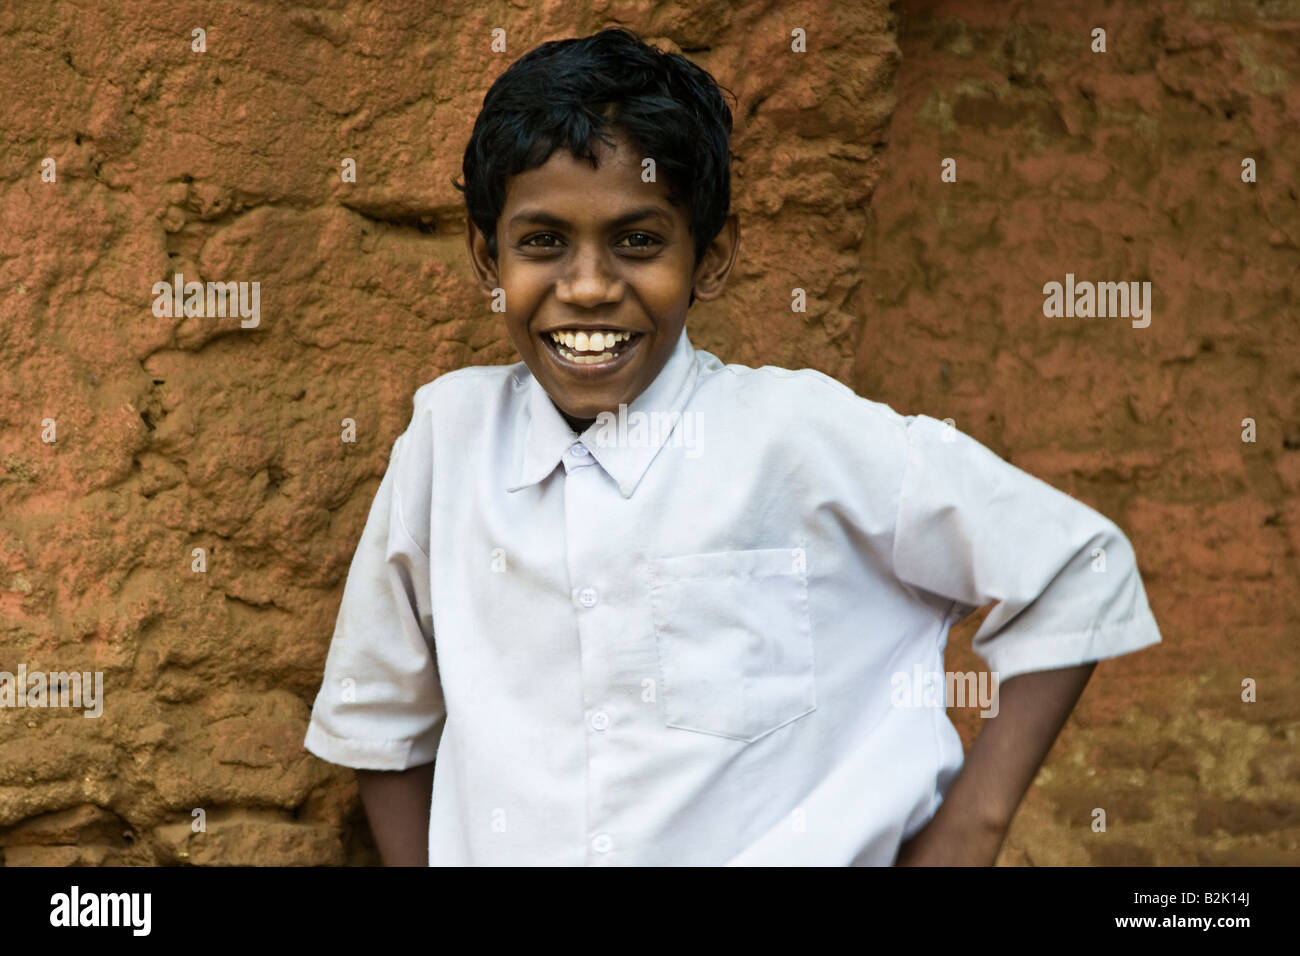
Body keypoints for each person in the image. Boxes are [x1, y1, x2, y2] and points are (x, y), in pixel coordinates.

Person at [303, 26, 1161, 866]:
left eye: (639, 241)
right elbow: (380, 720)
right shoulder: (446, 446)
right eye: (543, 243)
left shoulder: (797, 437)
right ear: (487, 259)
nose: (591, 286)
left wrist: (966, 836)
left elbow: (1077, 567)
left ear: (710, 259)